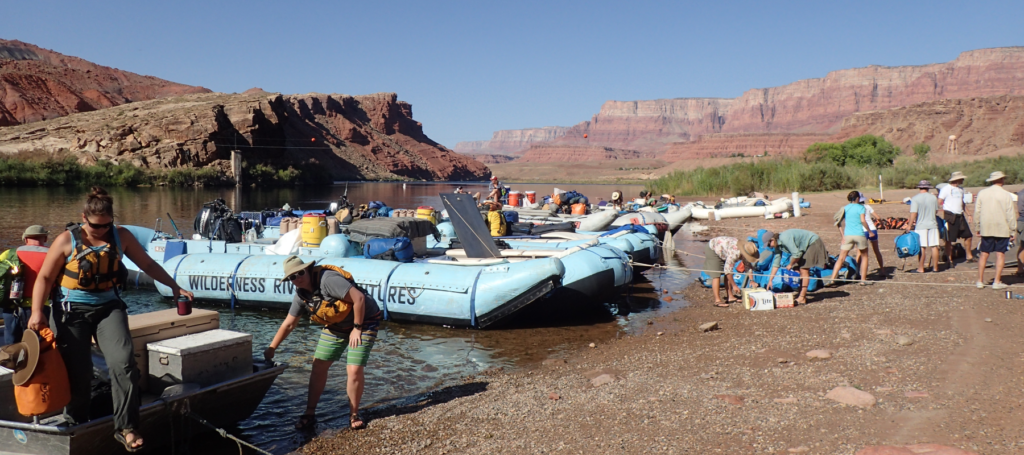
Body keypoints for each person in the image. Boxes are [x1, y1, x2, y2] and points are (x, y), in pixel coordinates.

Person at [27, 187, 194, 453]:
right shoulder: (65, 240)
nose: (101, 231)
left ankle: (126, 427)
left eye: (107, 226)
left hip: (109, 307)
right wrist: (37, 312)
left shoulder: (122, 237)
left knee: (124, 363)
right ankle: (77, 422)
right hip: (72, 311)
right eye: (95, 226)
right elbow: (45, 278)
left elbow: (149, 265)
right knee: (79, 373)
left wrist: (175, 287)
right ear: (84, 217)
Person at [264, 256, 382, 431]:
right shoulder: (301, 295)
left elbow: (359, 299)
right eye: (292, 277)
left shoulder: (328, 280)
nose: (297, 279)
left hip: (364, 321)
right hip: (337, 325)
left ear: (308, 270)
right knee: (318, 364)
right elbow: (289, 323)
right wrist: (272, 347)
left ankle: (354, 414)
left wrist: (357, 328)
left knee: (354, 368)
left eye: (300, 273)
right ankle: (310, 413)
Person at [2, 226, 55, 346]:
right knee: (36, 346)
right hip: (41, 309)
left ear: (25, 239)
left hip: (11, 306)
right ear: (45, 238)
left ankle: (9, 364)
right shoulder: (52, 255)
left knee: (11, 347)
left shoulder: (10, 254)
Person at [974, 171, 1017, 289]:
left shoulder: (982, 193)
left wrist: (977, 226)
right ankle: (997, 281)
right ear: (1002, 180)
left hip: (986, 226)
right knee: (1000, 254)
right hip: (1002, 227)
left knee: (984, 253)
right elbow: (1010, 214)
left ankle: (980, 280)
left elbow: (977, 211)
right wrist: (1013, 230)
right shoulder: (1006, 195)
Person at [766, 229, 829, 305]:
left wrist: (790, 264)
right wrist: (770, 280)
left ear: (772, 240)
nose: (770, 247)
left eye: (769, 245)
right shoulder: (777, 245)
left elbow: (797, 254)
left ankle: (802, 297)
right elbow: (776, 263)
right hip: (802, 248)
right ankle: (800, 293)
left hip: (812, 243)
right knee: (796, 268)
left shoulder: (784, 238)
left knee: (804, 269)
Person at [702, 237, 760, 307]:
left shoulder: (746, 250)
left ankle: (730, 297)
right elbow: (728, 271)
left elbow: (748, 267)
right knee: (716, 275)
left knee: (729, 272)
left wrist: (752, 280)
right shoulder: (735, 253)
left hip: (724, 250)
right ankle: (717, 301)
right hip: (713, 248)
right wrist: (734, 285)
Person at [830, 191, 871, 285]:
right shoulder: (861, 207)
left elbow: (838, 222)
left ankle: (832, 279)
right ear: (857, 198)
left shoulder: (845, 208)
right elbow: (863, 221)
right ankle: (863, 280)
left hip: (848, 235)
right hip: (859, 234)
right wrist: (869, 231)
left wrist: (842, 236)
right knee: (864, 257)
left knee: (841, 258)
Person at [938, 171, 976, 267]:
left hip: (960, 216)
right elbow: (939, 201)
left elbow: (962, 203)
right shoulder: (946, 189)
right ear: (956, 179)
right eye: (961, 178)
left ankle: (969, 256)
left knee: (968, 236)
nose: (963, 180)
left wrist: (969, 214)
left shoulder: (961, 189)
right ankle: (949, 260)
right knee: (949, 239)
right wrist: (945, 208)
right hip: (950, 216)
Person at [908, 180, 941, 273]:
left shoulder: (915, 198)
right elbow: (936, 211)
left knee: (922, 247)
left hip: (921, 225)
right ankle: (935, 267)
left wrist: (909, 225)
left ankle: (921, 268)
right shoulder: (933, 198)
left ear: (919, 187)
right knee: (934, 246)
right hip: (933, 224)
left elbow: (914, 213)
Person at [858, 193, 886, 277]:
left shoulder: (856, 208)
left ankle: (857, 271)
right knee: (876, 250)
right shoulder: (868, 207)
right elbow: (878, 217)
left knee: (860, 252)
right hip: (872, 229)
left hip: (862, 230)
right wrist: (881, 224)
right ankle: (882, 269)